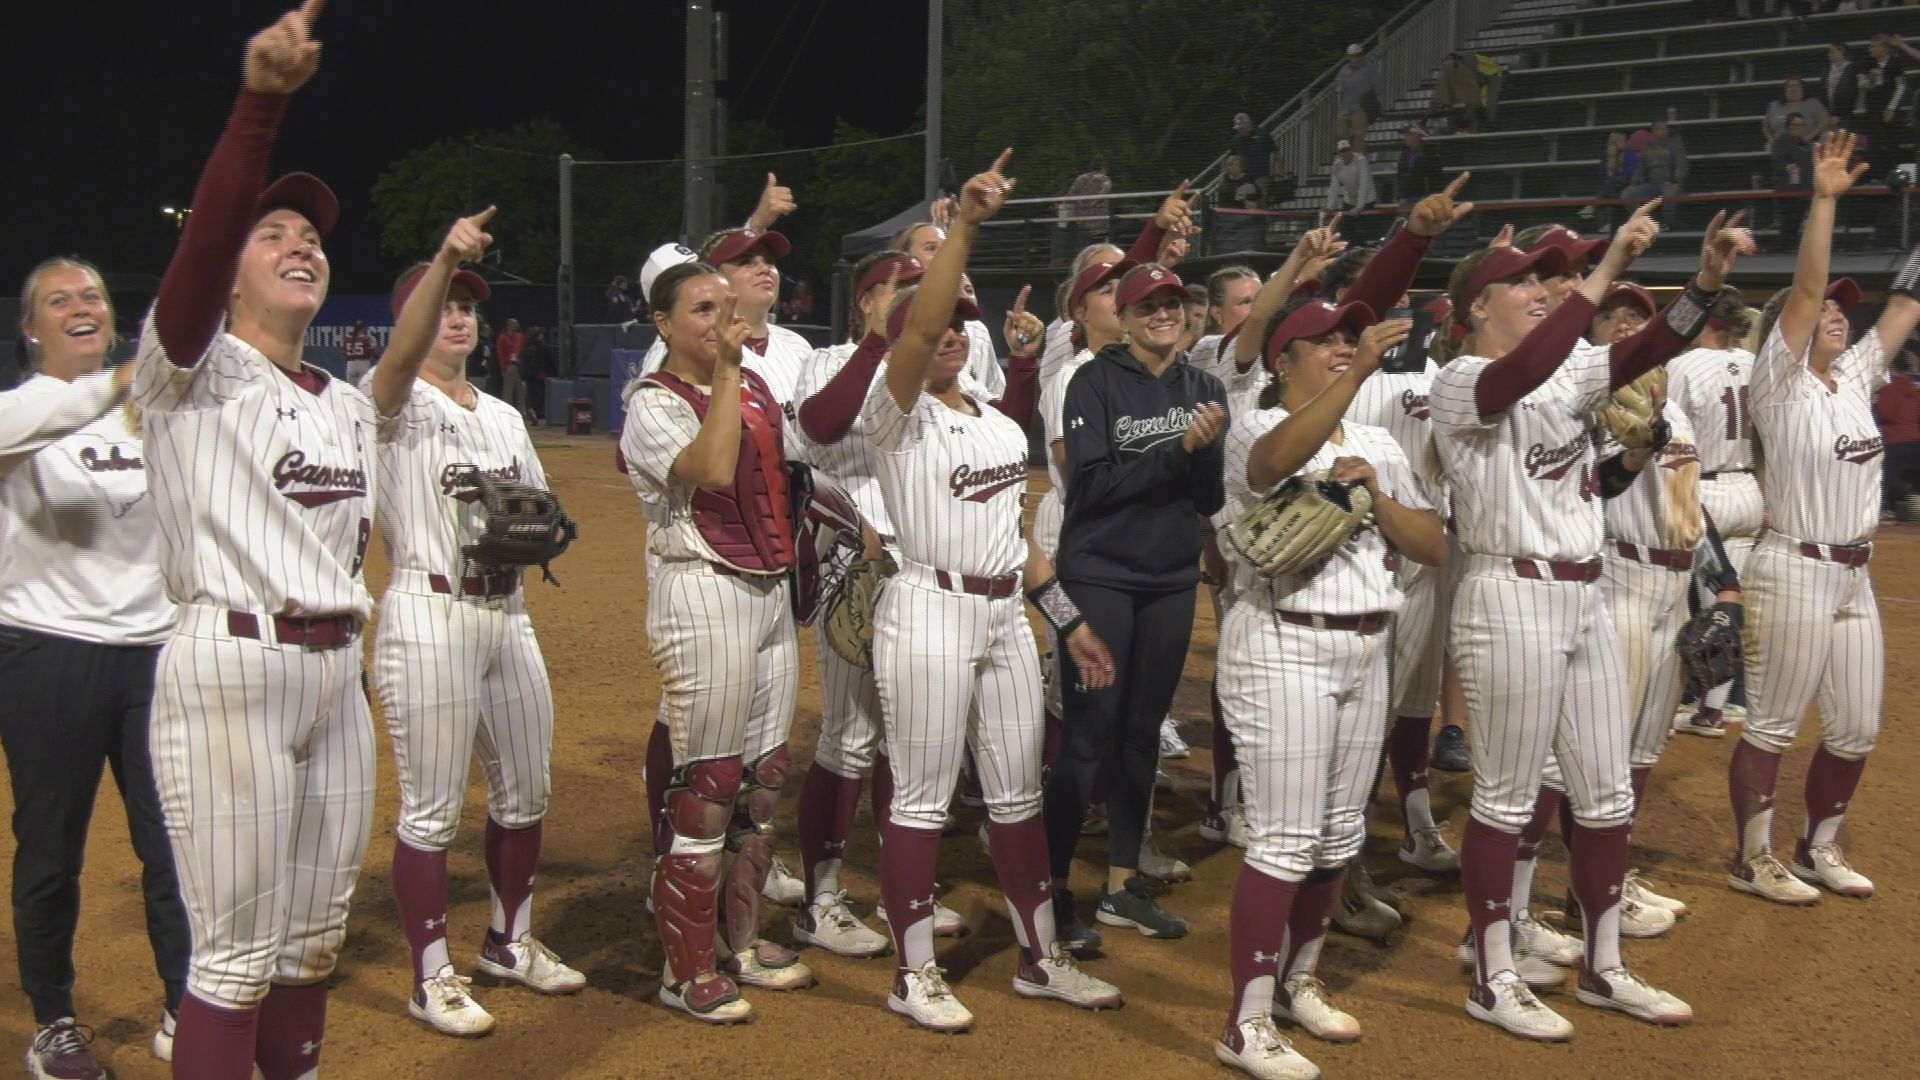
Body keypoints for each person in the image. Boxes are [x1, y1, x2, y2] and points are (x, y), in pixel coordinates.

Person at [1431, 195, 1749, 1040]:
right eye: (1526, 279)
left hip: (1588, 592)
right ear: (1476, 307)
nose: (1544, 287)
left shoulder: (1569, 371)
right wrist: (1598, 275)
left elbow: (1651, 343)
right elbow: (1518, 374)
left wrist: (1706, 284)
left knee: (1604, 795)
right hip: (1511, 597)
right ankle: (1492, 973)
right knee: (1503, 798)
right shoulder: (1461, 380)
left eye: (1554, 277)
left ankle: (1604, 966)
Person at [132, 5, 379, 1074]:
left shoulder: (346, 400)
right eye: (271, 234)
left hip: (338, 680)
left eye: (312, 237)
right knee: (233, 958)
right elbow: (202, 240)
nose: (300, 244)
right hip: (233, 667)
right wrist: (261, 104)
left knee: (311, 946)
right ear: (227, 269)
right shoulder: (186, 362)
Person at [863, 151, 1122, 1031]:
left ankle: (1040, 960)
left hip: (1006, 613)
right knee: (923, 799)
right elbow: (915, 328)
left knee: (1017, 796)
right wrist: (964, 229)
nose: (949, 334)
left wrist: (1069, 621)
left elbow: (1017, 542)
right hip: (928, 609)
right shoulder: (894, 411)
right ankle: (913, 974)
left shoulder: (1003, 425)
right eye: (935, 322)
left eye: (960, 324)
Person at [364, 212, 587, 1039]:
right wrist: (445, 259)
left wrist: (541, 529)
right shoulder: (385, 404)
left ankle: (509, 942)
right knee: (429, 811)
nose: (459, 316)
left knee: (527, 791)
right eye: (442, 302)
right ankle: (432, 976)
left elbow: (540, 509)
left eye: (468, 306)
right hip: (430, 611)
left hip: (507, 614)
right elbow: (393, 376)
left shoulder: (500, 414)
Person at [1213, 295, 1443, 1080]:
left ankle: (1295, 981)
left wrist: (1372, 494)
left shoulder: (1377, 439)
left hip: (1368, 650)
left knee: (1339, 837)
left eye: (1352, 338)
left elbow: (1432, 543)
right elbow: (1271, 467)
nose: (1345, 347)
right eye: (1325, 340)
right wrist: (1353, 390)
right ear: (1283, 359)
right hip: (1284, 645)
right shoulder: (1254, 421)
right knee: (1282, 839)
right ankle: (1243, 1024)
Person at [0, 259, 187, 1078]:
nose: (82, 307)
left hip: (154, 653)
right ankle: (55, 1021)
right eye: (59, 300)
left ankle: (188, 1004)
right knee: (51, 848)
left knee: (172, 844)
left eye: (95, 298)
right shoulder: (13, 411)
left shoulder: (148, 417)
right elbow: (74, 407)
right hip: (49, 652)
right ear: (30, 328)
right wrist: (146, 362)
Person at [1729, 131, 1920, 905]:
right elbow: (1804, 293)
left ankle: (1818, 847)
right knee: (1773, 726)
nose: (1837, 313)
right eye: (1825, 311)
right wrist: (1824, 199)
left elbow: (1906, 304)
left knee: (1856, 729)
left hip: (1852, 574)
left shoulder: (1852, 381)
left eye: (1846, 309)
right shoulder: (1779, 381)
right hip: (1792, 566)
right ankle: (1753, 857)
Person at [620, 263, 814, 1024]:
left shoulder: (758, 386)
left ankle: (740, 943)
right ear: (662, 324)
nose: (719, 320)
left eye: (725, 307)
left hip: (768, 591)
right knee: (708, 786)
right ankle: (685, 968)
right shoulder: (653, 403)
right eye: (702, 309)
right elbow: (710, 467)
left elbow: (785, 472)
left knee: (762, 781)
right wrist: (732, 369)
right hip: (703, 589)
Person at [1044, 250, 1230, 944]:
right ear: (1121, 318)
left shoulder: (1206, 384)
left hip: (1171, 577)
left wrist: (1202, 455)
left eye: (1172, 304)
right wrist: (1176, 452)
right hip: (1099, 573)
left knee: (1141, 732)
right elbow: (1090, 487)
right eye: (1147, 306)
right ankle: (1056, 890)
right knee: (1088, 734)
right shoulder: (1093, 382)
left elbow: (1206, 498)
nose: (1162, 315)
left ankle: (1122, 884)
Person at [1666, 291, 1761, 737]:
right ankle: (1718, 705)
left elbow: (1664, 428)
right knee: (1728, 600)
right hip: (1748, 486)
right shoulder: (1754, 361)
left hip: (1705, 486)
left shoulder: (1684, 365)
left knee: (1693, 603)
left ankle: (1700, 706)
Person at [1876, 349, 1920, 519]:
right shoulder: (1912, 387)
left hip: (1895, 439)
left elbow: (1884, 412)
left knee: (1884, 475)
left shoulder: (1889, 386)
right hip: (1915, 438)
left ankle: (1886, 509)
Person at [1624, 119, 1687, 228]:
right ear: (1654, 131)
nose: (1664, 131)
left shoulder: (1675, 144)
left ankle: (1667, 225)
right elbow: (1640, 168)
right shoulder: (1646, 148)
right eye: (1660, 129)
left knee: (1668, 193)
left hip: (1669, 182)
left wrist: (1675, 182)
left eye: (1665, 128)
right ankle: (1648, 222)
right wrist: (1633, 184)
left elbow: (1681, 165)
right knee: (1626, 196)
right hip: (1651, 184)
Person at [1056, 157, 1114, 261]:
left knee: (1084, 253)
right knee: (1101, 254)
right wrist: (1094, 202)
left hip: (1083, 223)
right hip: (1101, 225)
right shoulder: (1105, 179)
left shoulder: (1080, 179)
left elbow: (1069, 198)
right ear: (1103, 168)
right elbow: (1106, 190)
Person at [1772, 113, 1815, 244]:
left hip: (1804, 188)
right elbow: (1777, 162)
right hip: (1788, 189)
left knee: (1799, 218)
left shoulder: (1804, 143)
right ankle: (1785, 245)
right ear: (1788, 126)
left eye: (1801, 125)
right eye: (1796, 124)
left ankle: (1793, 245)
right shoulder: (1781, 141)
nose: (1799, 127)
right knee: (1789, 220)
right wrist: (1787, 166)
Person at [1337, 44, 1382, 153]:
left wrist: (1376, 100)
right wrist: (1339, 86)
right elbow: (1338, 83)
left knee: (1359, 136)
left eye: (1359, 55)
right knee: (1341, 133)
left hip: (1361, 107)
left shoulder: (1369, 68)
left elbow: (1377, 85)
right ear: (1349, 57)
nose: (1357, 58)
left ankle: (1358, 158)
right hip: (1346, 107)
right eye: (1354, 56)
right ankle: (1344, 156)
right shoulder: (1344, 69)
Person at [1764, 76, 1829, 146]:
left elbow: (1825, 120)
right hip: (1780, 148)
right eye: (1789, 86)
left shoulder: (1813, 103)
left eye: (1797, 86)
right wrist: (1771, 139)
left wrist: (1808, 137)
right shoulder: (1774, 105)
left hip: (1805, 148)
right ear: (1785, 89)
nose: (1793, 89)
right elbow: (1766, 125)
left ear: (1803, 89)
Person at [1228, 115, 1273, 204]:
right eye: (1238, 128)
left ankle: (1263, 217)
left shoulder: (1262, 134)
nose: (1240, 130)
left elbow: (1275, 151)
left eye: (1242, 127)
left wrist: (1280, 169)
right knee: (1246, 202)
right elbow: (1232, 158)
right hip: (1244, 177)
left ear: (1248, 124)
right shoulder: (1236, 140)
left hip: (1261, 175)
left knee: (1260, 201)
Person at [1327, 141, 1376, 218]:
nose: (1345, 154)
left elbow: (1363, 184)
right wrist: (1329, 207)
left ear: (1351, 150)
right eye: (1342, 152)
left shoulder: (1361, 160)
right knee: (1345, 227)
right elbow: (1334, 187)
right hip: (1350, 201)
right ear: (1339, 154)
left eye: (1347, 150)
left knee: (1364, 227)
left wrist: (1359, 206)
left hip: (1367, 200)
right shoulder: (1336, 165)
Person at [1396, 126, 1443, 205]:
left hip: (1423, 198)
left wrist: (1430, 194)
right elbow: (1400, 175)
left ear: (1416, 136)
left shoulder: (1430, 154)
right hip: (1406, 197)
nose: (1404, 138)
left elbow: (1436, 177)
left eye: (1407, 135)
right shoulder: (1404, 155)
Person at [519, 325, 553, 424]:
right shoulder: (542, 346)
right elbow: (549, 359)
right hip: (539, 374)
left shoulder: (526, 345)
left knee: (531, 394)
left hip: (528, 374)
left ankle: (532, 410)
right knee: (540, 395)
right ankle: (534, 410)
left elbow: (522, 360)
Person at [494, 317, 523, 400]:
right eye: (515, 323)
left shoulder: (520, 336)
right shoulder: (502, 338)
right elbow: (500, 353)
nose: (517, 325)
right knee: (508, 390)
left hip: (520, 365)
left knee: (521, 389)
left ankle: (522, 411)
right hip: (510, 366)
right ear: (509, 325)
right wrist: (504, 368)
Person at [341, 318, 376, 385]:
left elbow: (344, 355)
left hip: (351, 365)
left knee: (352, 389)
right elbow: (372, 353)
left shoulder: (347, 338)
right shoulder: (366, 339)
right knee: (362, 389)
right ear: (363, 328)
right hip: (363, 364)